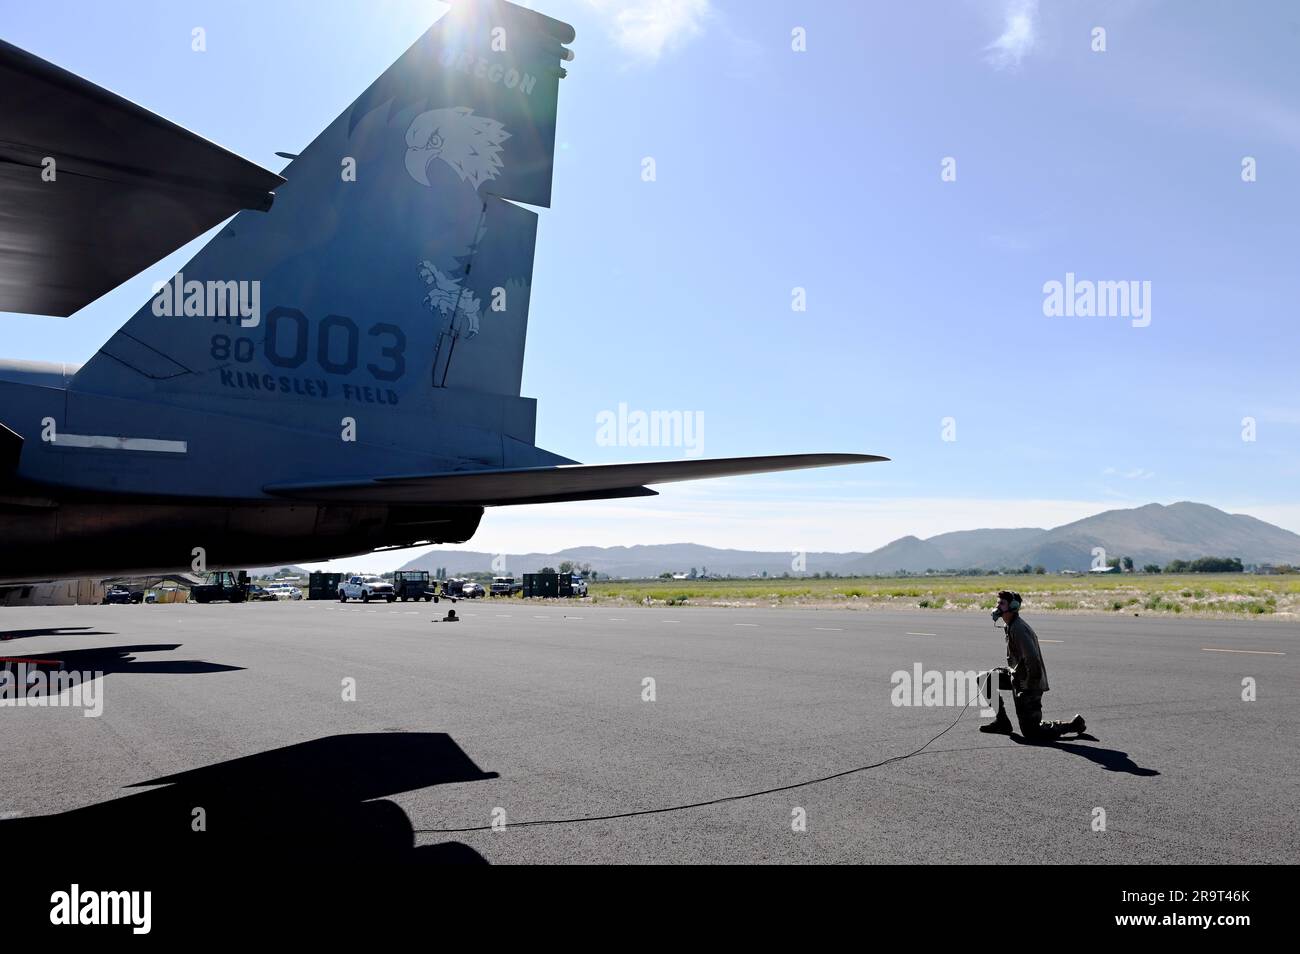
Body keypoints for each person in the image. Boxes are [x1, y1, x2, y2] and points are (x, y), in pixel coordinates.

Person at [979, 590, 1086, 741]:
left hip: (1030, 682)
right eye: (998, 603)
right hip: (1018, 676)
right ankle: (1002, 723)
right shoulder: (1009, 625)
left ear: (1014, 607)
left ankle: (1072, 725)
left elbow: (1033, 660)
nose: (997, 607)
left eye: (1002, 603)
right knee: (985, 679)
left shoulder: (1018, 628)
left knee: (1032, 732)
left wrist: (1027, 688)